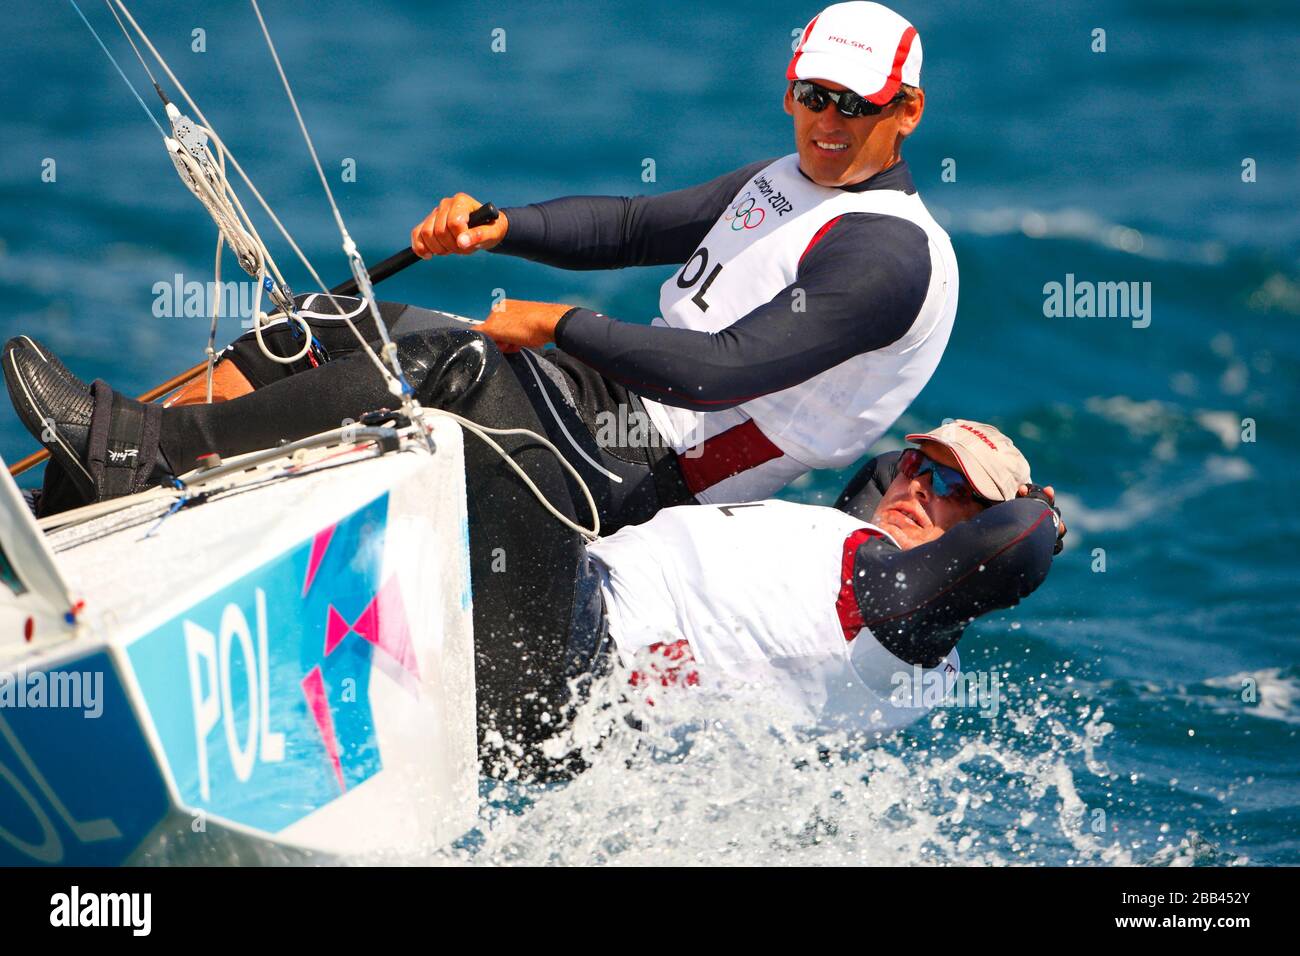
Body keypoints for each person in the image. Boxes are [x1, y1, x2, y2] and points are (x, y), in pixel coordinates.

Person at [156, 0, 955, 530]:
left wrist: (560, 326)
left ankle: (145, 453)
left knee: (448, 370)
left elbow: (724, 372)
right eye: (815, 95)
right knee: (316, 329)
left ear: (907, 112)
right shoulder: (780, 180)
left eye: (856, 105)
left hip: (655, 472)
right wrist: (499, 227)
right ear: (790, 91)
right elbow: (634, 226)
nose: (828, 121)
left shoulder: (887, 249)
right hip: (606, 406)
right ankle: (114, 475)